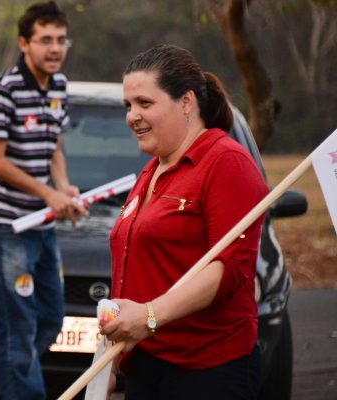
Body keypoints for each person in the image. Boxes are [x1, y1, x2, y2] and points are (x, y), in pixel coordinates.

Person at [100, 44, 268, 399]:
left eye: (145, 103)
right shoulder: (152, 170)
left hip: (208, 370)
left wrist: (148, 317)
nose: (132, 116)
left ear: (186, 102)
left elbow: (227, 268)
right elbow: (136, 271)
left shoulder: (226, 162)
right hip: (147, 367)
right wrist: (109, 364)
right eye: (129, 106)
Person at [0, 2, 85, 399]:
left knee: (50, 320)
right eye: (45, 40)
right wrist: (48, 193)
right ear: (24, 43)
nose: (55, 48)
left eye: (61, 40)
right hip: (6, 227)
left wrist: (65, 187)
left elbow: (54, 147)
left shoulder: (58, 86)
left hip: (42, 225)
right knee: (20, 327)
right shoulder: (4, 91)